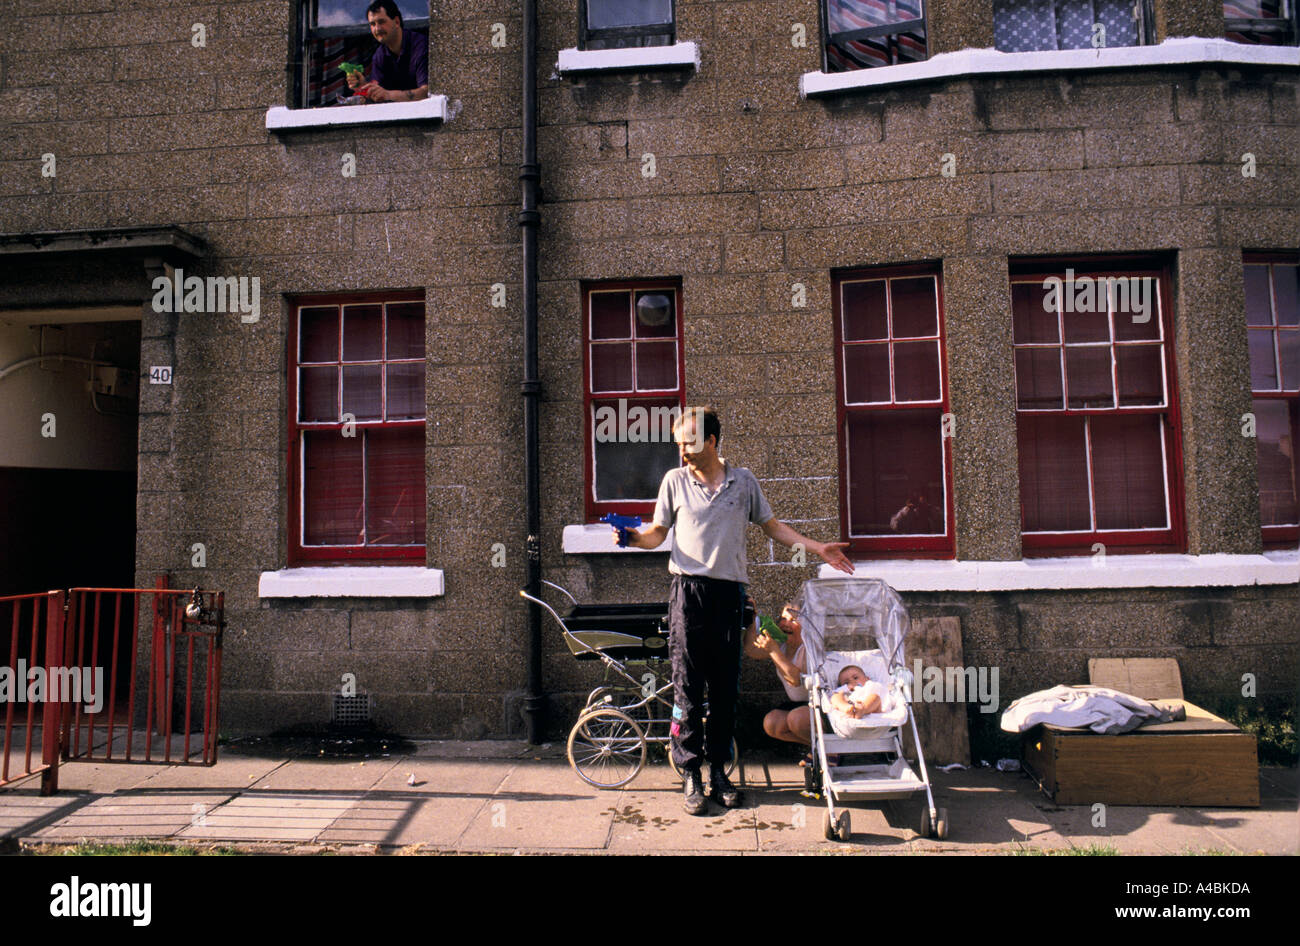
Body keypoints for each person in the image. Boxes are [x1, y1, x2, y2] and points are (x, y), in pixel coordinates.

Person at [617, 406, 854, 816]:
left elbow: (773, 527)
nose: (681, 452)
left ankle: (719, 773)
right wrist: (633, 537)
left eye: (687, 443)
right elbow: (657, 533)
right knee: (688, 687)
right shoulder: (674, 481)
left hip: (730, 596)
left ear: (710, 441)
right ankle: (690, 773)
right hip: (688, 594)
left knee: (725, 689)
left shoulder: (743, 483)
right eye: (677, 445)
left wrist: (818, 549)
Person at [743, 601, 813, 750]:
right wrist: (752, 620)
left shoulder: (807, 649)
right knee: (772, 723)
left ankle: (828, 751)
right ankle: (816, 748)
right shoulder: (782, 644)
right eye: (783, 618)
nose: (786, 623)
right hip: (798, 706)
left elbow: (795, 679)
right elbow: (751, 651)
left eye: (793, 620)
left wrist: (773, 650)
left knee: (796, 719)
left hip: (819, 707)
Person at [346, 1, 429, 104]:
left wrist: (388, 95)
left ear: (397, 22)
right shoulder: (379, 55)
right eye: (372, 24)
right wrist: (363, 87)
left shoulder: (421, 45)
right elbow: (378, 95)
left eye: (381, 22)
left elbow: (427, 93)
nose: (377, 29)